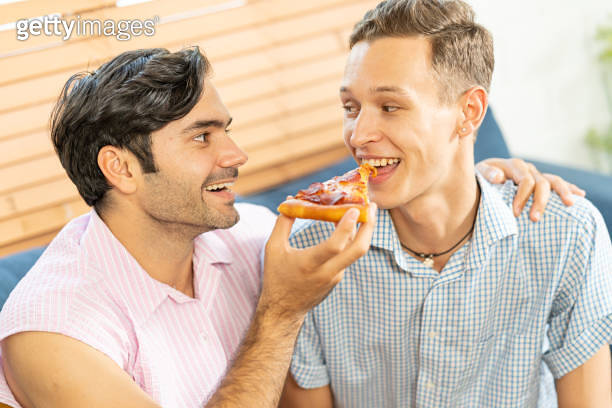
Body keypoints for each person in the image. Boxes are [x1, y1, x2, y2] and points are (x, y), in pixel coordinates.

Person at [0, 45, 583, 407]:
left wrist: (472, 175)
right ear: (120, 167)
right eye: (203, 136)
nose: (237, 153)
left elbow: (383, 202)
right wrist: (281, 311)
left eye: (226, 128)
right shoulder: (50, 335)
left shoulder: (245, 235)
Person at [279, 1, 612, 408]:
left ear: (468, 112)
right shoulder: (310, 255)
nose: (359, 134)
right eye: (351, 108)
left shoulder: (565, 234)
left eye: (390, 107)